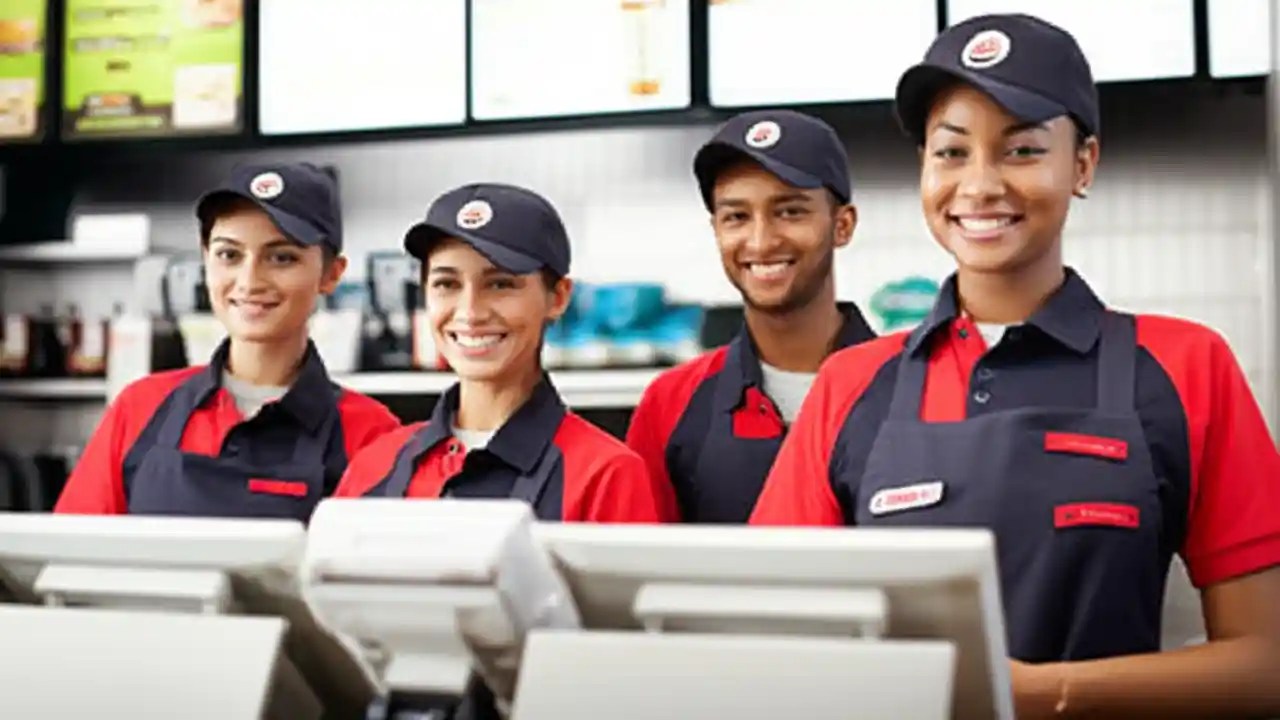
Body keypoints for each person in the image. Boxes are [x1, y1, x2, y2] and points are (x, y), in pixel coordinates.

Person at [751, 13, 1280, 718]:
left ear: (1083, 164)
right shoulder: (853, 383)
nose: (979, 185)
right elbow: (766, 633)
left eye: (1023, 150)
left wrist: (1047, 694)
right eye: (951, 152)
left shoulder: (1184, 366)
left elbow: (1266, 664)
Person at [55, 162, 402, 520]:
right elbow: (70, 556)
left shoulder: (372, 434)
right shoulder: (139, 408)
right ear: (206, 261)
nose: (249, 281)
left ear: (331, 274)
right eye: (229, 255)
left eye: (282, 257)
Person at [334, 182, 669, 525]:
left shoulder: (605, 475)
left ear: (558, 297)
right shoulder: (374, 465)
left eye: (500, 284)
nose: (470, 312)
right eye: (447, 284)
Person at [626, 109, 876, 524]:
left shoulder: (910, 385)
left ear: (842, 225)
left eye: (790, 212)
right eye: (737, 217)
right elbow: (639, 571)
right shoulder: (670, 403)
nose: (760, 241)